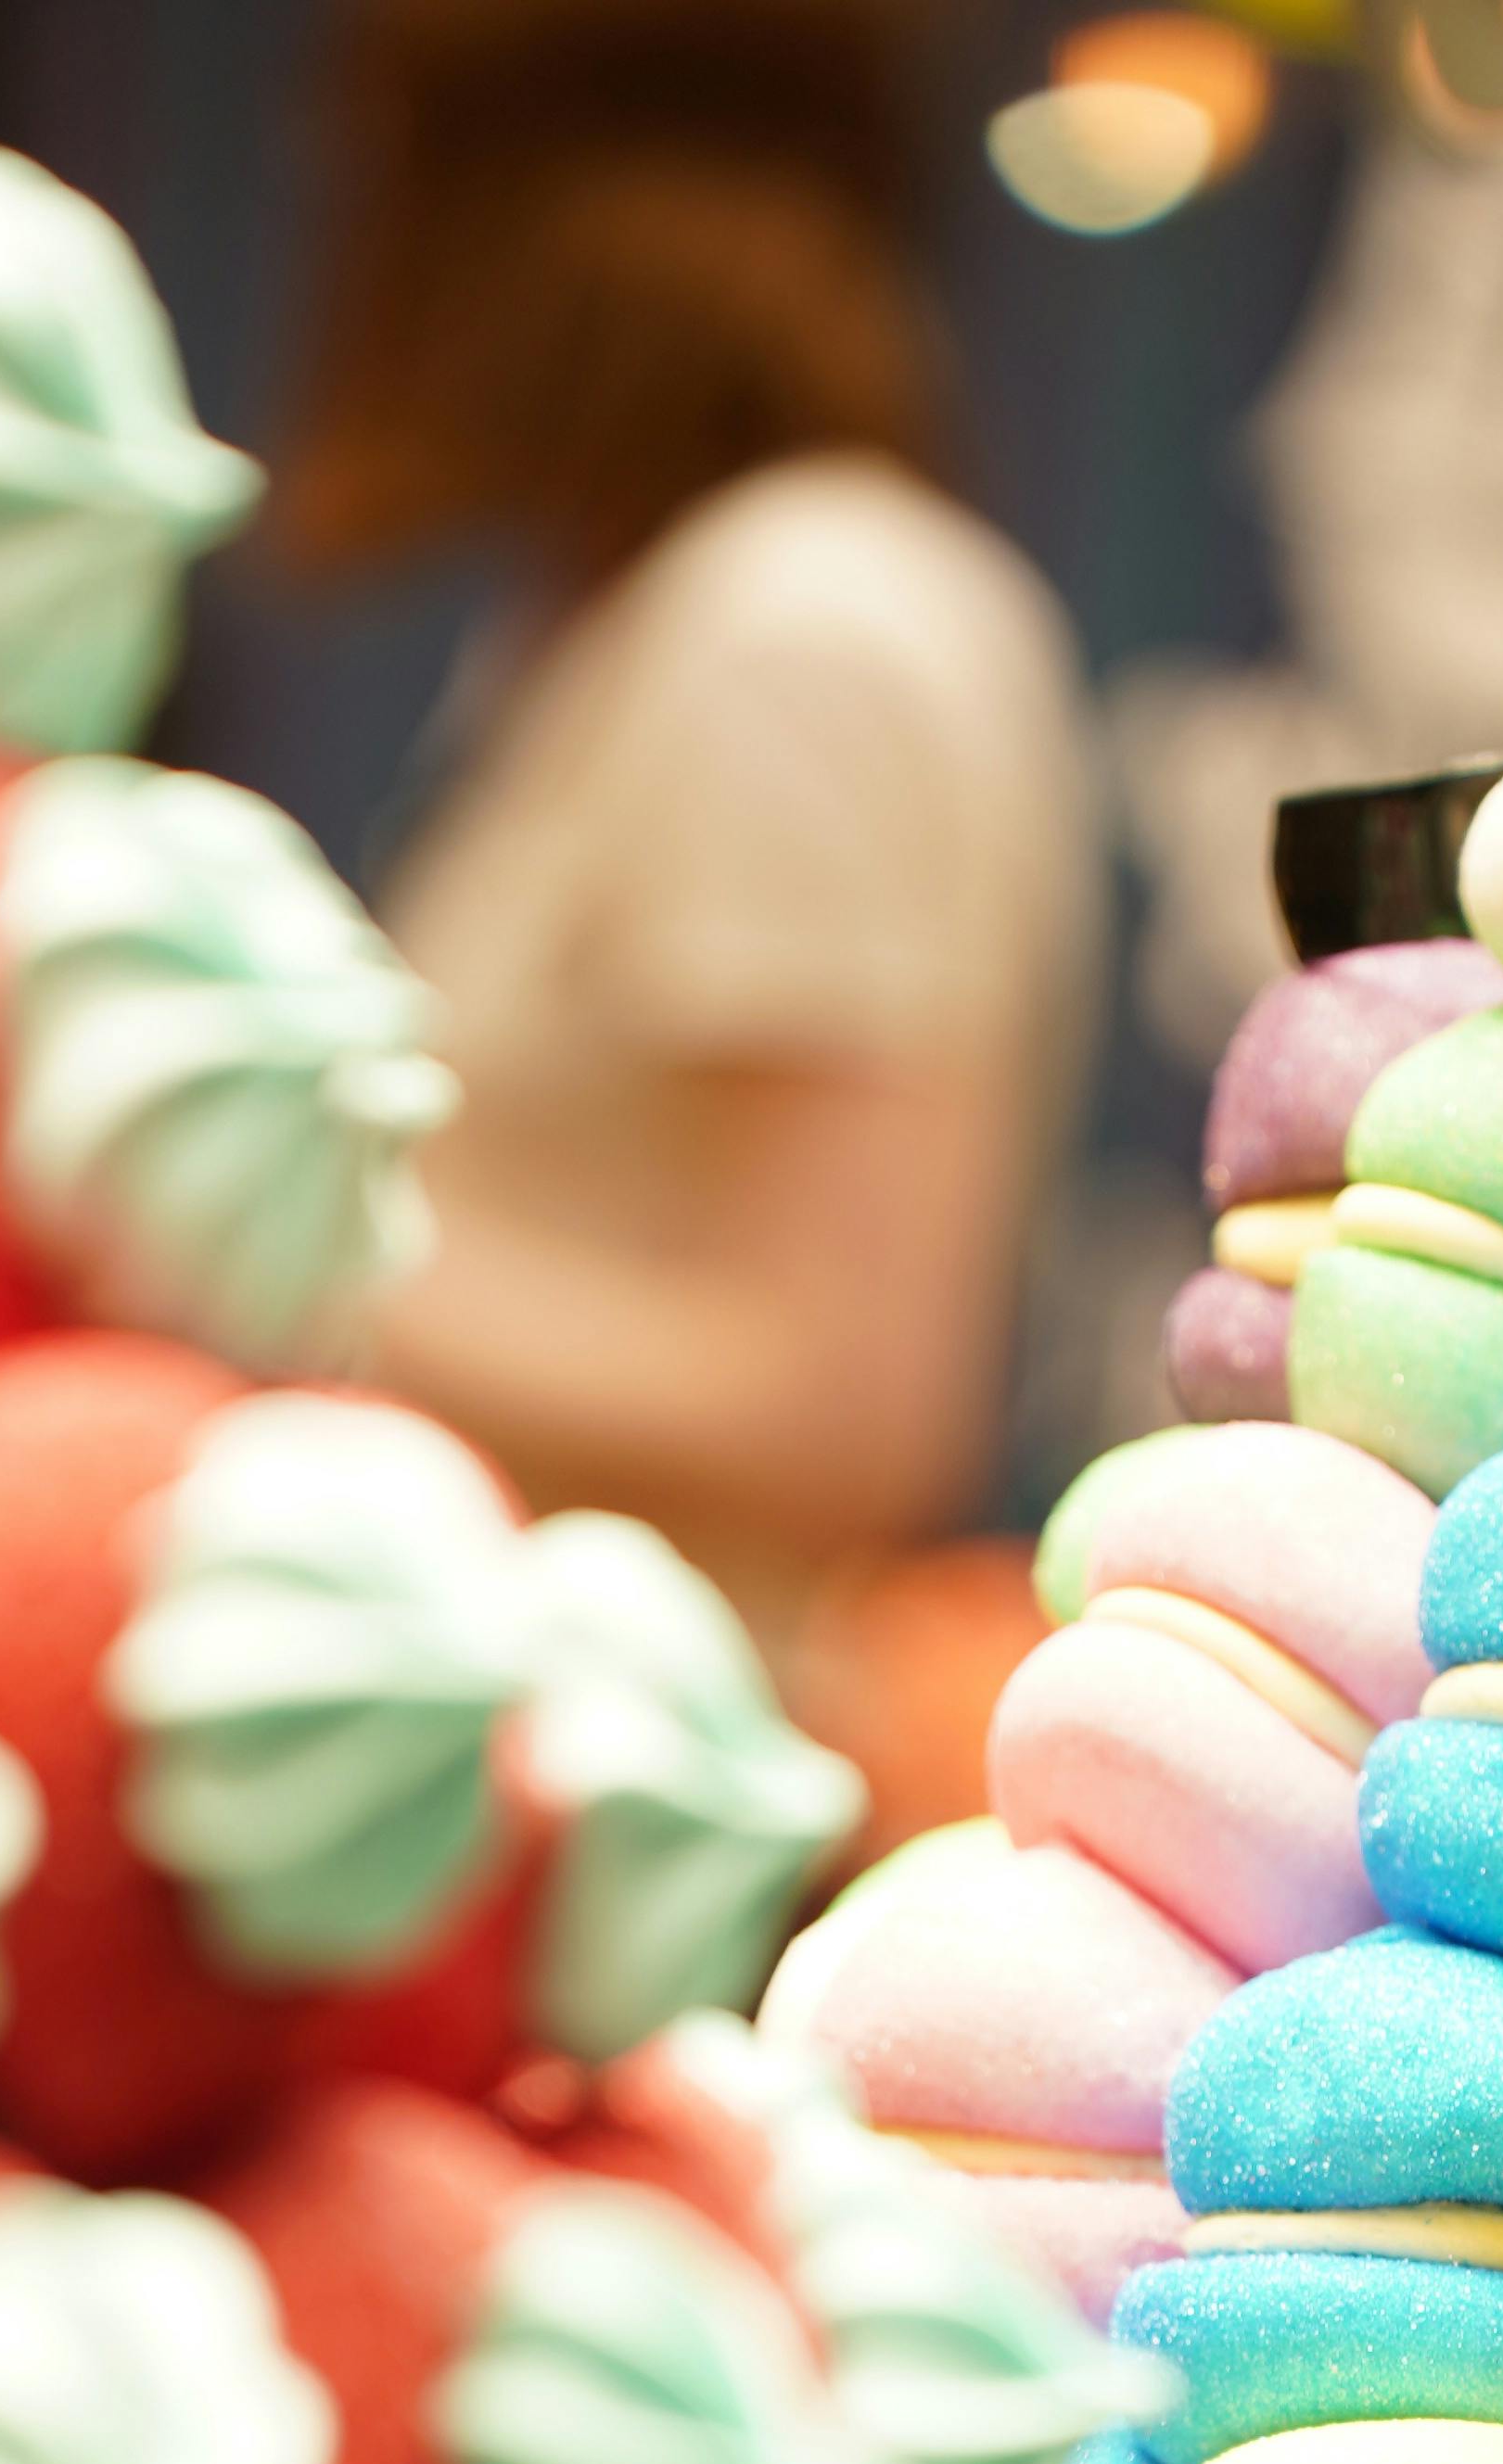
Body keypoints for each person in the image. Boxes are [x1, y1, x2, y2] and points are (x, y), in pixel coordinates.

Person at [288, 0, 1102, 1671]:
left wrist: (251, 1248)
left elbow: (848, 1402)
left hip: (658, 1795)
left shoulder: (801, 629)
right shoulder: (643, 616)